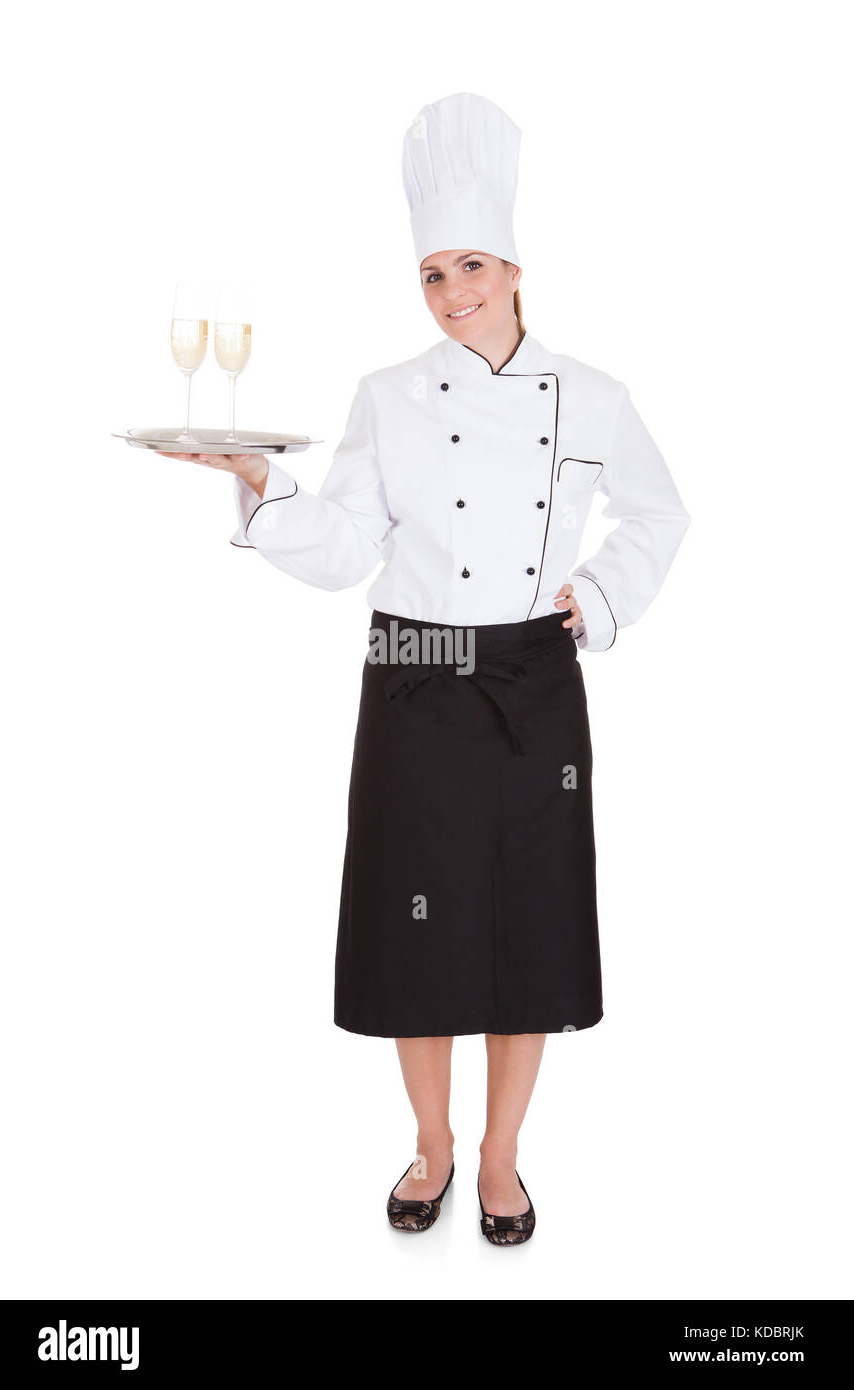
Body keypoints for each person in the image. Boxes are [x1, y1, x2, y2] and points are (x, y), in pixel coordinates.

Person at [157, 93, 690, 1245]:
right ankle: (431, 1141)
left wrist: (593, 600)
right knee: (419, 930)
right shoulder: (386, 398)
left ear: (512, 266)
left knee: (525, 925)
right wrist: (258, 484)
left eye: (470, 267)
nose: (452, 294)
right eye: (432, 276)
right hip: (409, 675)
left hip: (531, 684)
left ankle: (500, 1154)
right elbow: (347, 546)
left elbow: (657, 513)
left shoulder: (590, 395)